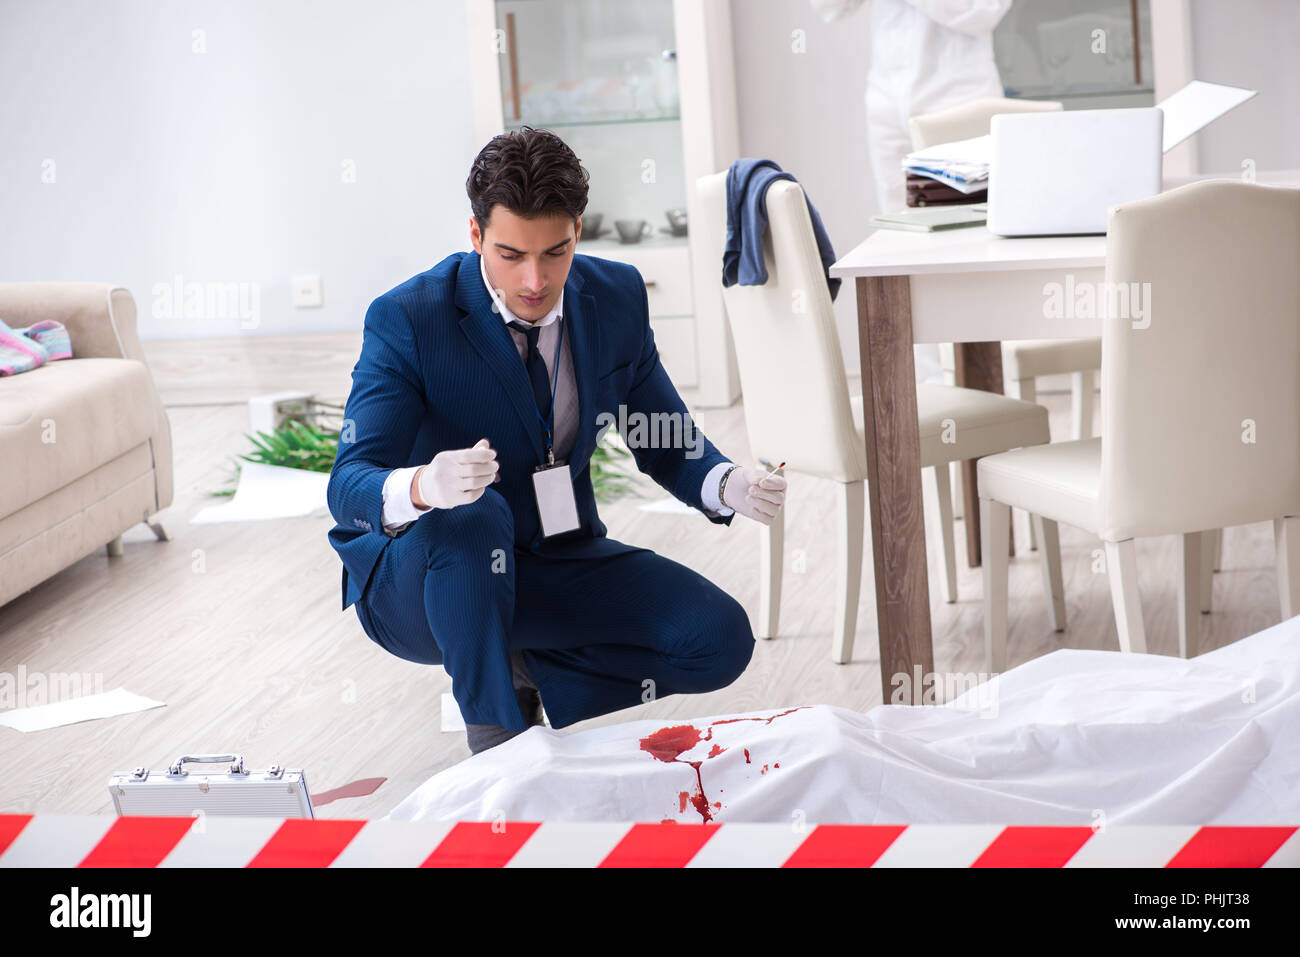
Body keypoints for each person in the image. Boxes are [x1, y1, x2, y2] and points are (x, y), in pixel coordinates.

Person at [326, 127, 787, 755]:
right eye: (511, 254)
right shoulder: (410, 318)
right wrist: (423, 486)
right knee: (473, 512)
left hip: (549, 558)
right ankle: (499, 745)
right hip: (425, 581)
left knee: (717, 638)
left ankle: (521, 669)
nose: (536, 279)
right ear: (475, 236)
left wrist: (725, 482)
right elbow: (347, 484)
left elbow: (663, 436)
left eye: (556, 251)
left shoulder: (616, 296)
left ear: (578, 228)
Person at [811, 0, 1013, 214]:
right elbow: (829, 9)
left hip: (959, 99)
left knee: (969, 218)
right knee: (897, 219)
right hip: (886, 100)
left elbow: (985, 12)